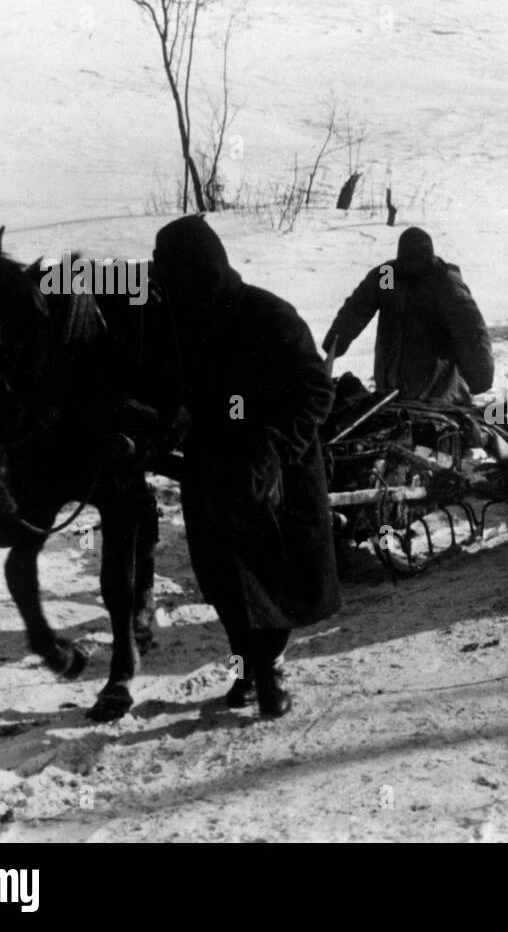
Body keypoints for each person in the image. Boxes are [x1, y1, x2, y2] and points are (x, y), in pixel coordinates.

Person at [151, 215, 340, 718]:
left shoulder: (268, 315)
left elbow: (317, 389)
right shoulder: (178, 326)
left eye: (181, 275)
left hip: (275, 474)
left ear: (206, 270)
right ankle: (246, 670)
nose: (175, 289)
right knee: (222, 581)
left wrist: (274, 448)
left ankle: (269, 669)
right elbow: (169, 391)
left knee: (271, 581)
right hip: (212, 468)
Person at [324, 227, 493, 405]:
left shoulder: (444, 283)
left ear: (429, 257)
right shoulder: (389, 276)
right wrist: (337, 339)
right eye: (408, 261)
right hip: (391, 380)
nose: (412, 267)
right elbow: (358, 307)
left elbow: (470, 330)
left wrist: (480, 375)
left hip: (437, 388)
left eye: (418, 261)